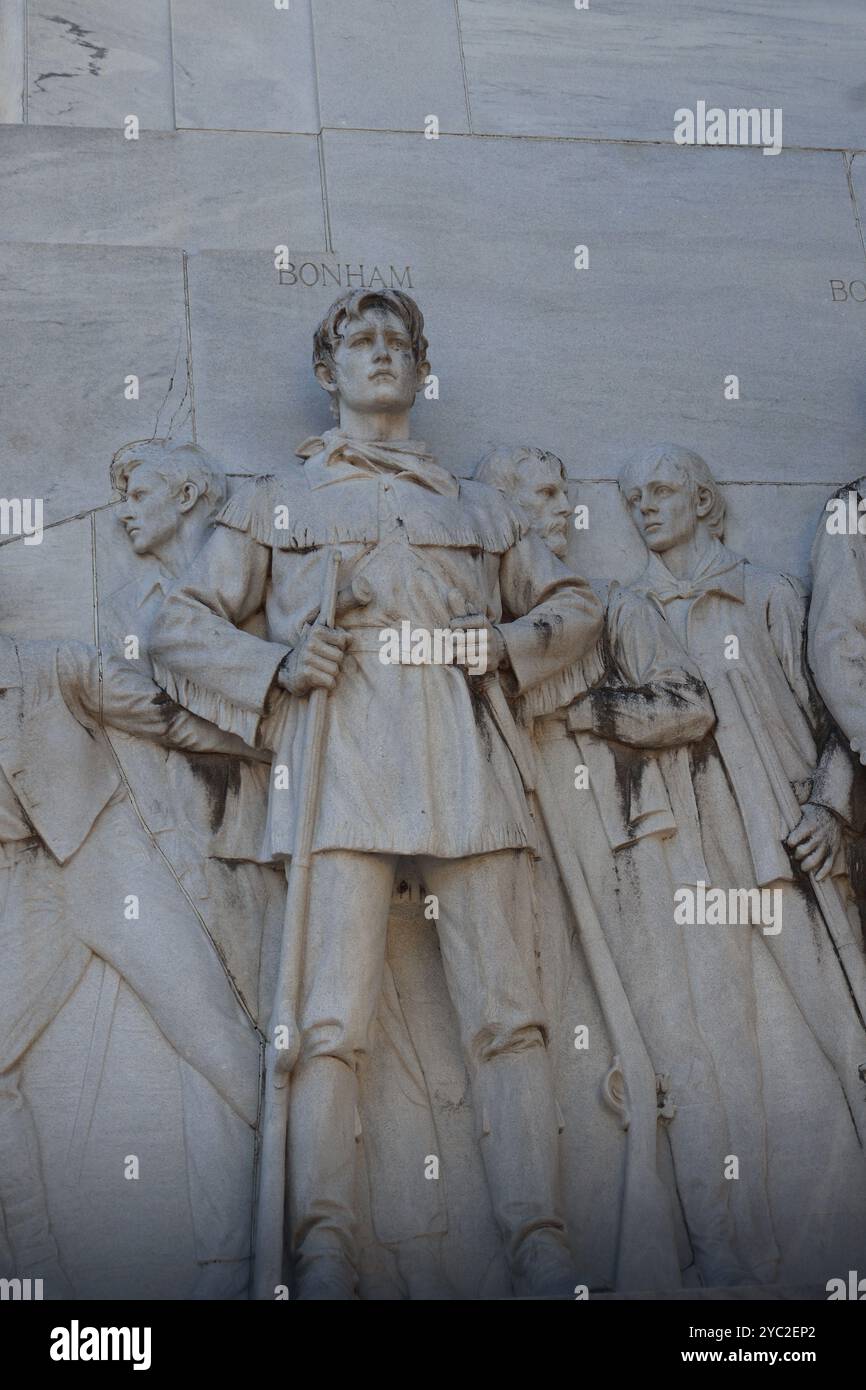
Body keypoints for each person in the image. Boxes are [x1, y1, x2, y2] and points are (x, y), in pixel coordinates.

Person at [150, 288, 604, 1299]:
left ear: (418, 368)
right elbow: (177, 625)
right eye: (360, 342)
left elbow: (574, 608)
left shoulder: (478, 505)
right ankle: (322, 1247)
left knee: (512, 1015)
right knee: (324, 1022)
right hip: (338, 762)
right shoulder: (275, 501)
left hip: (463, 756)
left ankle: (538, 1240)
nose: (381, 355)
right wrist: (271, 663)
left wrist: (503, 643)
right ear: (328, 371)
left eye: (398, 342)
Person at [476, 445, 750, 1288]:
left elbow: (690, 702)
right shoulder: (482, 636)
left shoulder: (616, 606)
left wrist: (586, 711)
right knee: (546, 1050)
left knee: (675, 1051)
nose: (568, 507)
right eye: (546, 493)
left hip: (629, 848)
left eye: (566, 488)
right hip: (533, 857)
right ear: (504, 518)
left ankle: (718, 1251)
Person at [619, 442, 866, 1279]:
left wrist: (832, 807)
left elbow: (839, 710)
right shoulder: (630, 608)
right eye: (633, 498)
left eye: (662, 490)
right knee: (729, 1056)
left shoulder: (765, 595)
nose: (645, 506)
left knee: (843, 1032)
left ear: (705, 502)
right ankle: (750, 1261)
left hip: (787, 848)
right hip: (695, 860)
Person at [0, 632, 263, 1299]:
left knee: (213, 1035)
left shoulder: (51, 661)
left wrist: (260, 735)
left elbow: (157, 711)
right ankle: (34, 1273)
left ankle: (237, 1259)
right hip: (22, 882)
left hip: (105, 852)